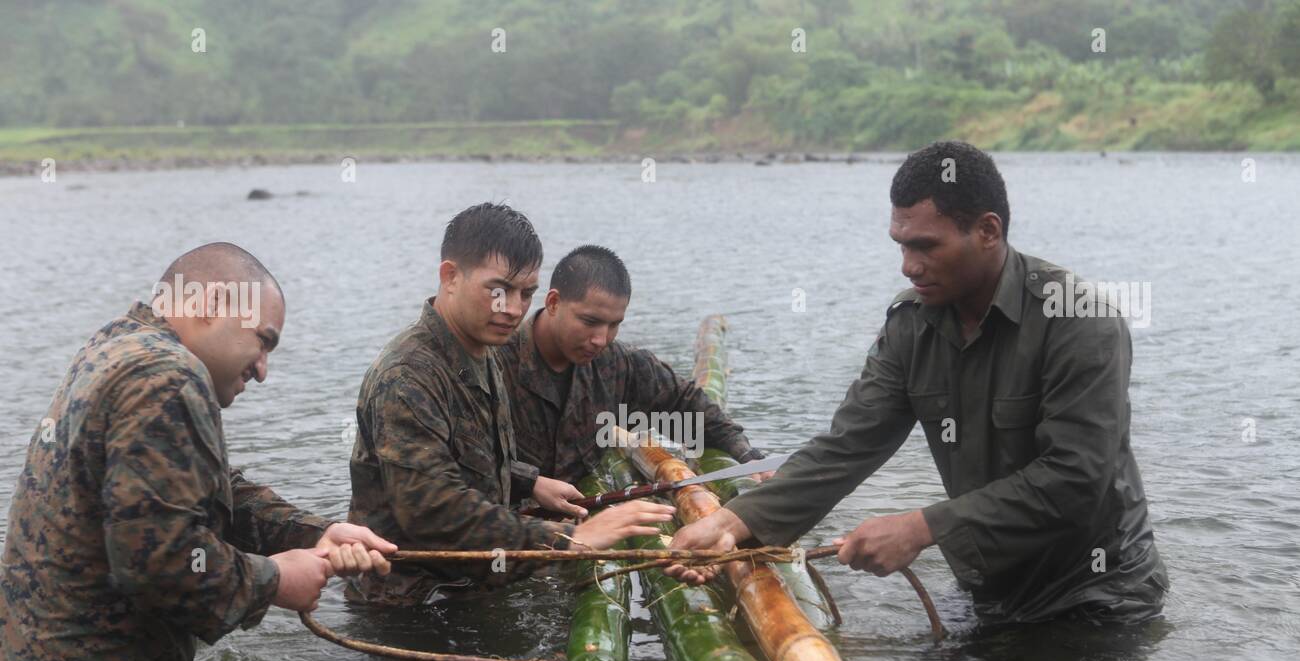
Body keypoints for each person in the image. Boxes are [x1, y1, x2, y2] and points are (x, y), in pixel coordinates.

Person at [670, 141, 1168, 625]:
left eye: (925, 245)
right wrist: (733, 524)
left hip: (1098, 596)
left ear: (988, 231)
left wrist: (921, 528)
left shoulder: (1078, 320)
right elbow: (847, 446)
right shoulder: (912, 323)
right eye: (902, 244)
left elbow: (1076, 478)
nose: (908, 265)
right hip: (989, 586)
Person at [0, 243, 395, 661]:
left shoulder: (119, 346)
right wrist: (274, 580)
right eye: (264, 341)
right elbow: (159, 561)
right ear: (210, 305)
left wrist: (314, 534)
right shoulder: (169, 376)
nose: (263, 370)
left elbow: (195, 490)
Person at [347, 204, 673, 605]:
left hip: (473, 586)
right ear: (450, 277)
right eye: (499, 291)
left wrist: (527, 480)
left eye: (526, 293)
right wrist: (569, 539)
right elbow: (434, 510)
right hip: (411, 605)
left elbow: (462, 456)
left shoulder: (481, 352)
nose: (515, 309)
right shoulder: (408, 376)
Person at [498, 244, 764, 502]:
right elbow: (466, 463)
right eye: (590, 322)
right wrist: (530, 483)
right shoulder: (495, 363)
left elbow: (687, 404)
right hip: (505, 519)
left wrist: (747, 456)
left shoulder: (617, 363)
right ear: (554, 303)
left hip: (581, 513)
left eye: (614, 325)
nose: (601, 339)